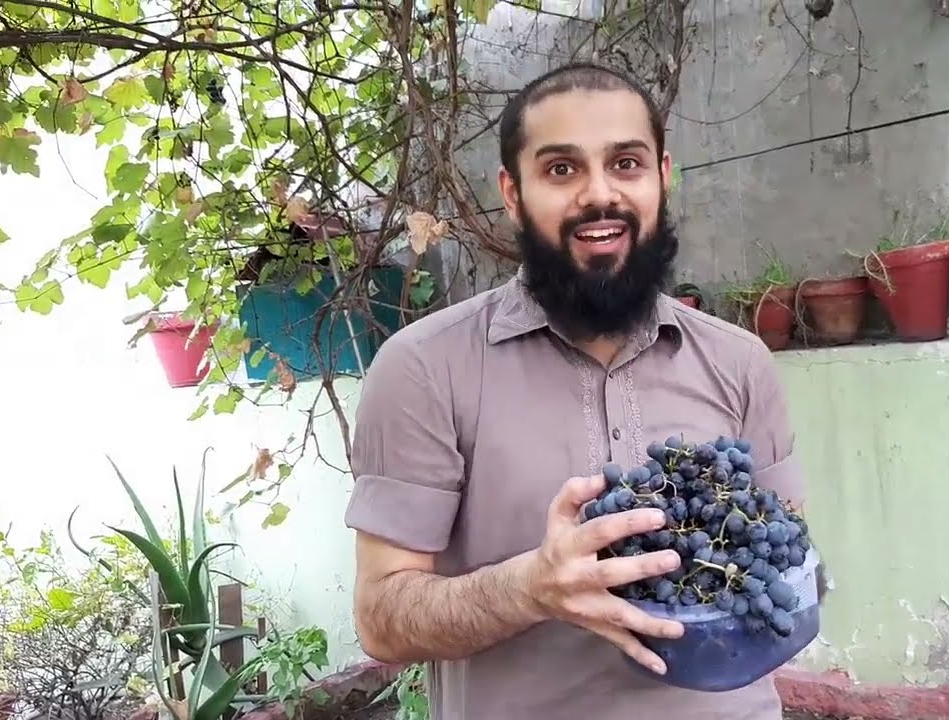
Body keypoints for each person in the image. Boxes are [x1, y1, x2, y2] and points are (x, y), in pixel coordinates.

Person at [344, 61, 809, 720]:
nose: (599, 195)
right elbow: (382, 620)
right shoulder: (423, 369)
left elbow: (787, 558)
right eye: (562, 169)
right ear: (512, 193)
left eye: (626, 164)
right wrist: (529, 588)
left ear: (662, 177)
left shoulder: (740, 362)